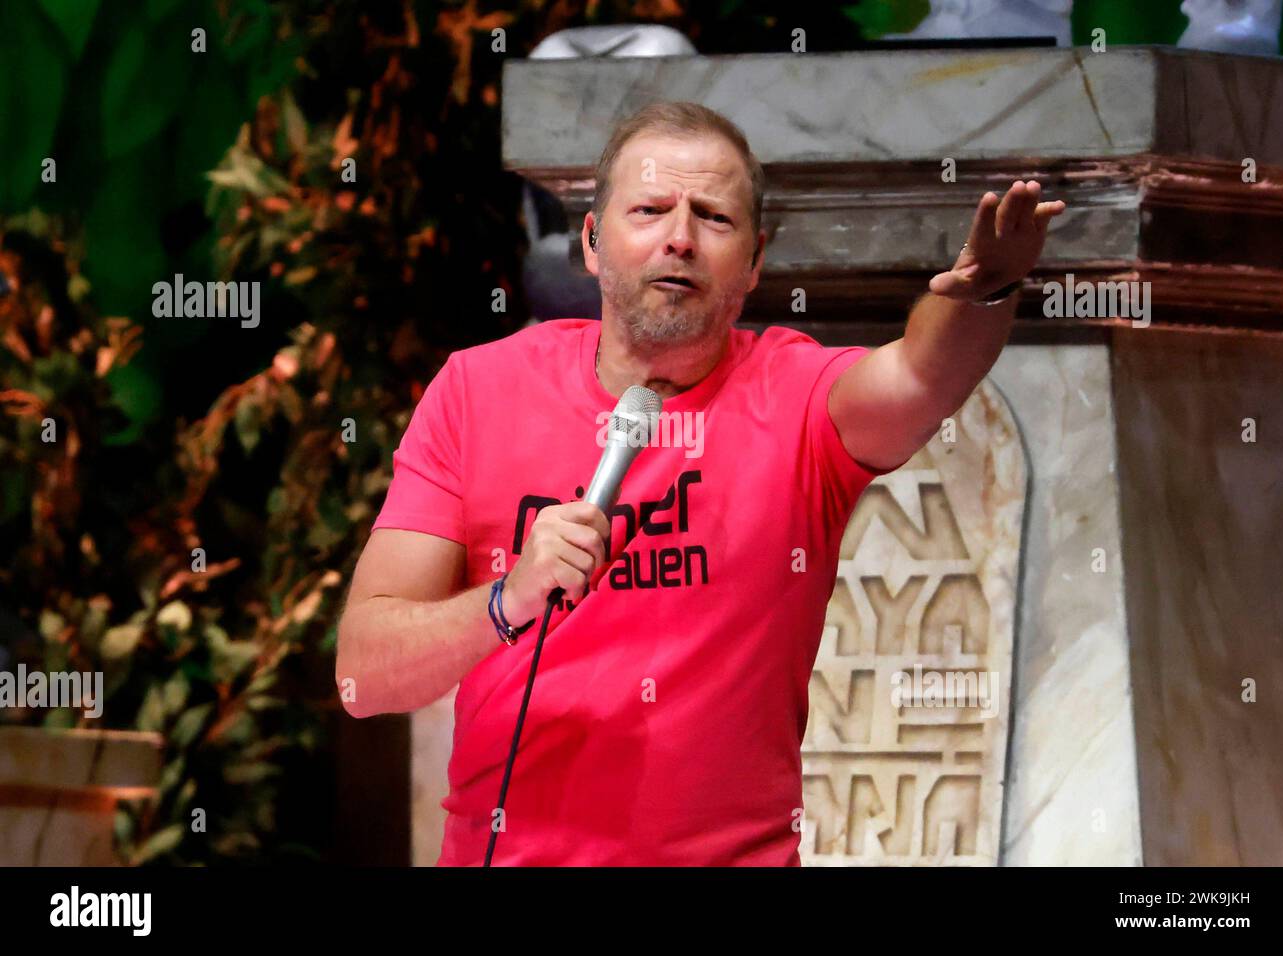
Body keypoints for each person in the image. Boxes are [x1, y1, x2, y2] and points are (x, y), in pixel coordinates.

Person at [335, 101, 1066, 865]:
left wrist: (985, 293)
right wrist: (505, 601)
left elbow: (921, 374)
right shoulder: (476, 392)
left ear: (754, 263)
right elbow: (364, 676)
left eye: (713, 217)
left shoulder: (798, 396)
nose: (679, 237)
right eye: (649, 210)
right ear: (591, 241)